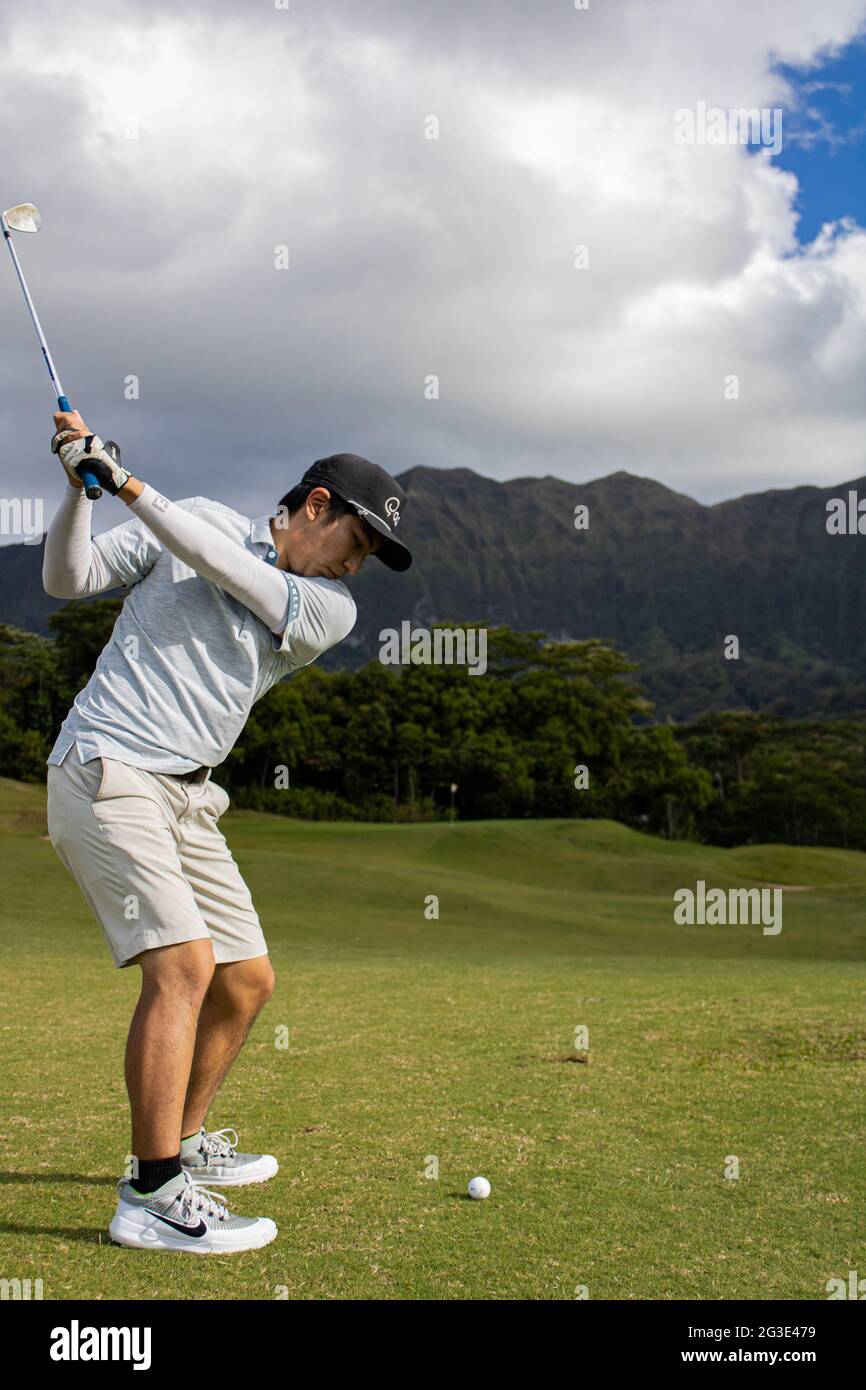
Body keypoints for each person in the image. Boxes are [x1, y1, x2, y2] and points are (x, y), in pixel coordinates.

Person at [42, 410, 412, 1253]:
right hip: (109, 769)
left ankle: (181, 1140)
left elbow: (219, 566)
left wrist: (127, 482)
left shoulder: (327, 607)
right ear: (316, 505)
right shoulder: (197, 516)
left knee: (244, 981)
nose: (359, 566)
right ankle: (152, 1191)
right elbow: (70, 579)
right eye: (358, 541)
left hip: (190, 798)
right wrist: (82, 494)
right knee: (184, 967)